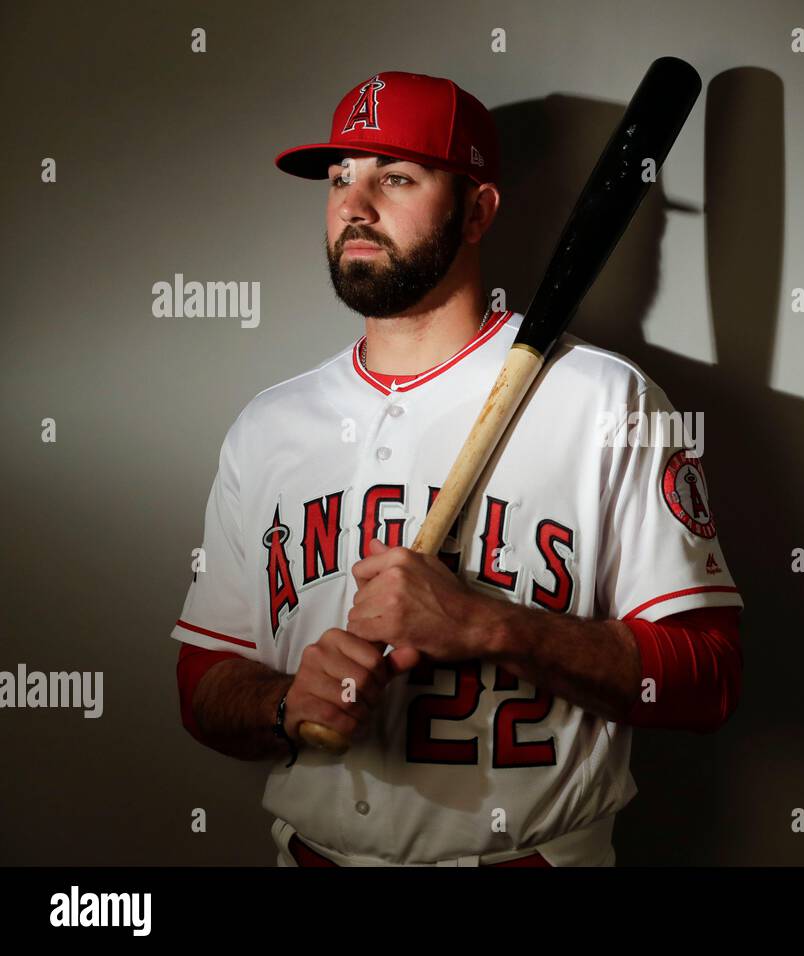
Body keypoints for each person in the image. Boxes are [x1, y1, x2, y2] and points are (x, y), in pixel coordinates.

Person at [172, 71, 743, 867]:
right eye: (340, 178)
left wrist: (487, 625)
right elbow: (202, 676)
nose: (354, 205)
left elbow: (707, 679)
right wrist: (281, 703)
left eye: (395, 177)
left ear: (478, 210)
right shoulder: (268, 425)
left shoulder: (604, 400)